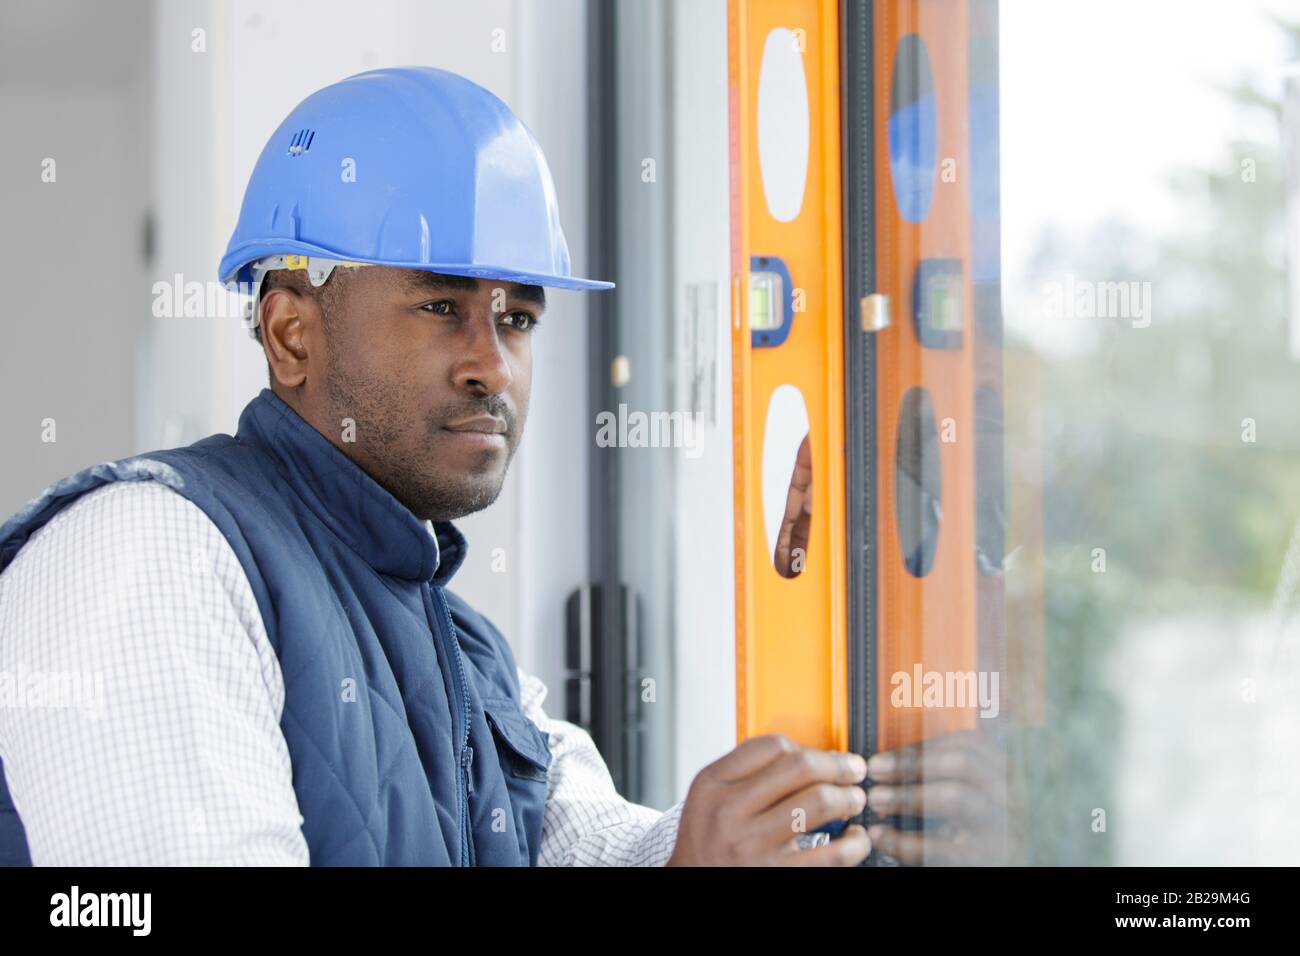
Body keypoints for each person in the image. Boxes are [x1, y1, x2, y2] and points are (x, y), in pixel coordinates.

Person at [0, 66, 870, 867]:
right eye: (441, 305)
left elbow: (604, 848)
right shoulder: (147, 553)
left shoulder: (459, 647)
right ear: (290, 333)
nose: (490, 365)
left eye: (518, 319)